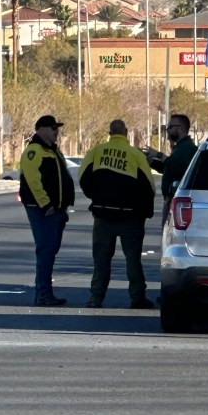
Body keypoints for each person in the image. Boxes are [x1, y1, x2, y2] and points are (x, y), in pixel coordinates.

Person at [79, 119, 156, 309]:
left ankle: (95, 297)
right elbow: (150, 187)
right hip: (130, 217)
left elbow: (82, 177)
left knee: (101, 259)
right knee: (133, 259)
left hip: (103, 215)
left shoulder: (96, 151)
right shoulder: (135, 154)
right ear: (126, 132)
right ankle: (137, 297)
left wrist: (96, 197)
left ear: (109, 132)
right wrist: (144, 211)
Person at [19, 115, 76, 306]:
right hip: (42, 210)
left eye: (56, 128)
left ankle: (45, 293)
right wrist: (46, 205)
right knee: (46, 250)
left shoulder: (52, 151)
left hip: (57, 209)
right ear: (40, 129)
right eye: (52, 128)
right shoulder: (34, 151)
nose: (56, 131)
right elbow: (33, 181)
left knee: (50, 251)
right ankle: (43, 294)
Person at [144, 113, 197, 225]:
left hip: (177, 200)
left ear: (181, 128)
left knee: (170, 235)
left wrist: (158, 155)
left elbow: (178, 166)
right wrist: (151, 161)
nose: (167, 130)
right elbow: (168, 168)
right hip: (170, 200)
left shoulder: (187, 148)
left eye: (170, 127)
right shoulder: (179, 147)